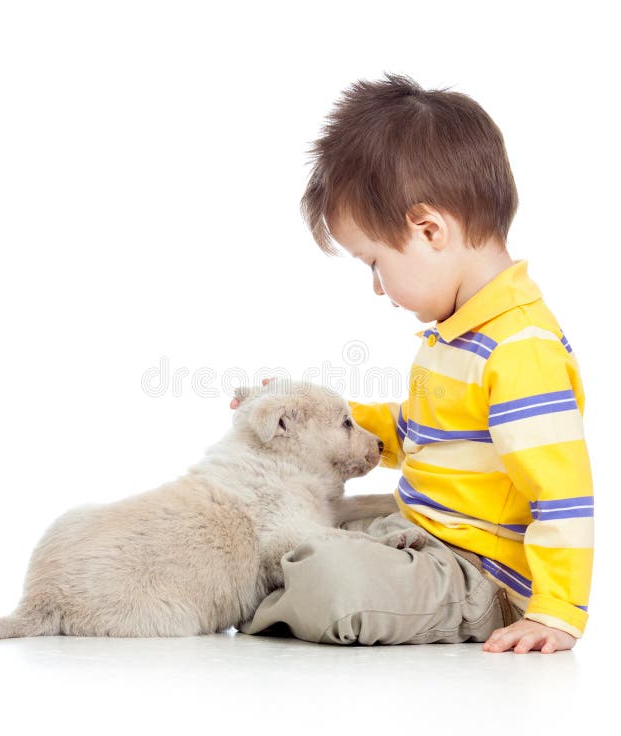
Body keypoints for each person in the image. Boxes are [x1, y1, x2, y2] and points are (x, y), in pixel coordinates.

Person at [230, 73, 593, 654]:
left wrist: (556, 612)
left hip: (479, 575)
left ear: (428, 230)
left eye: (374, 262)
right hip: (418, 533)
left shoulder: (521, 347)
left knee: (332, 577)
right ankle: (261, 574)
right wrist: (309, 419)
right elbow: (415, 429)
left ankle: (260, 595)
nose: (378, 287)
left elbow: (563, 495)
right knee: (291, 521)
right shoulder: (456, 332)